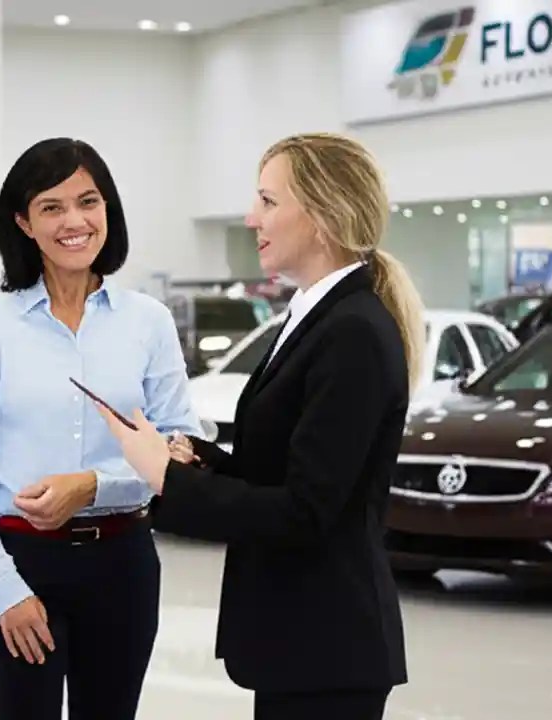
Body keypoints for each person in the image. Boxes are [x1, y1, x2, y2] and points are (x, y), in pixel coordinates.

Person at [96, 132, 420, 720]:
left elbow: (305, 510)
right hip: (301, 642)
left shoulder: (351, 332)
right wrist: (193, 457)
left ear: (323, 214)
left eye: (269, 202)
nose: (252, 218)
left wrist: (170, 480)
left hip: (327, 644)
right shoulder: (314, 317)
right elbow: (278, 467)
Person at [0, 137, 202, 720]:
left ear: (109, 210)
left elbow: (181, 448)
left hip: (124, 563)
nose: (75, 221)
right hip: (23, 562)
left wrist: (93, 486)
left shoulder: (148, 324)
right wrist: (6, 592)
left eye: (88, 201)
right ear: (24, 222)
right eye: (52, 207)